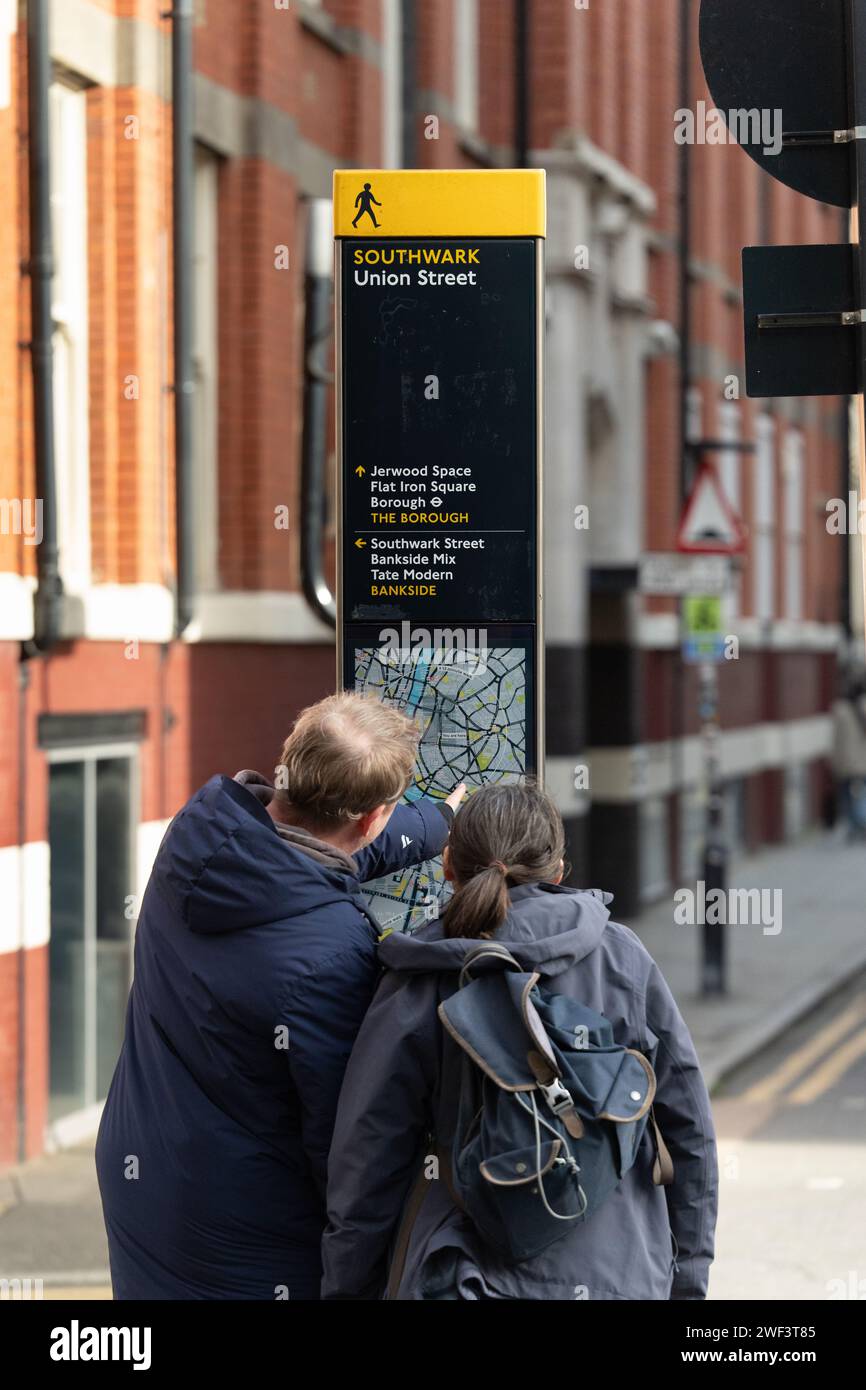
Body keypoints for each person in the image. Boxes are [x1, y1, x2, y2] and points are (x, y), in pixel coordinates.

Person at [95, 692, 465, 1300]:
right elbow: (346, 1144)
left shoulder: (200, 832)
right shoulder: (331, 956)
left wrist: (437, 823)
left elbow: (305, 850)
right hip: (246, 1238)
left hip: (146, 1182)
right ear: (372, 818)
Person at [321, 781, 719, 1301]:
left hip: (465, 1276)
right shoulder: (622, 957)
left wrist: (345, 1289)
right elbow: (689, 1130)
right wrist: (688, 1277)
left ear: (447, 866)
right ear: (557, 870)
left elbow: (366, 1163)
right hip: (620, 1275)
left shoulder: (418, 975)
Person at [832, 674, 866, 841]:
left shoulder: (840, 710)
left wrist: (834, 760)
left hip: (846, 761)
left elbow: (836, 740)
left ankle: (855, 825)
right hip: (862, 761)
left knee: (846, 795)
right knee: (862, 793)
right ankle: (860, 823)